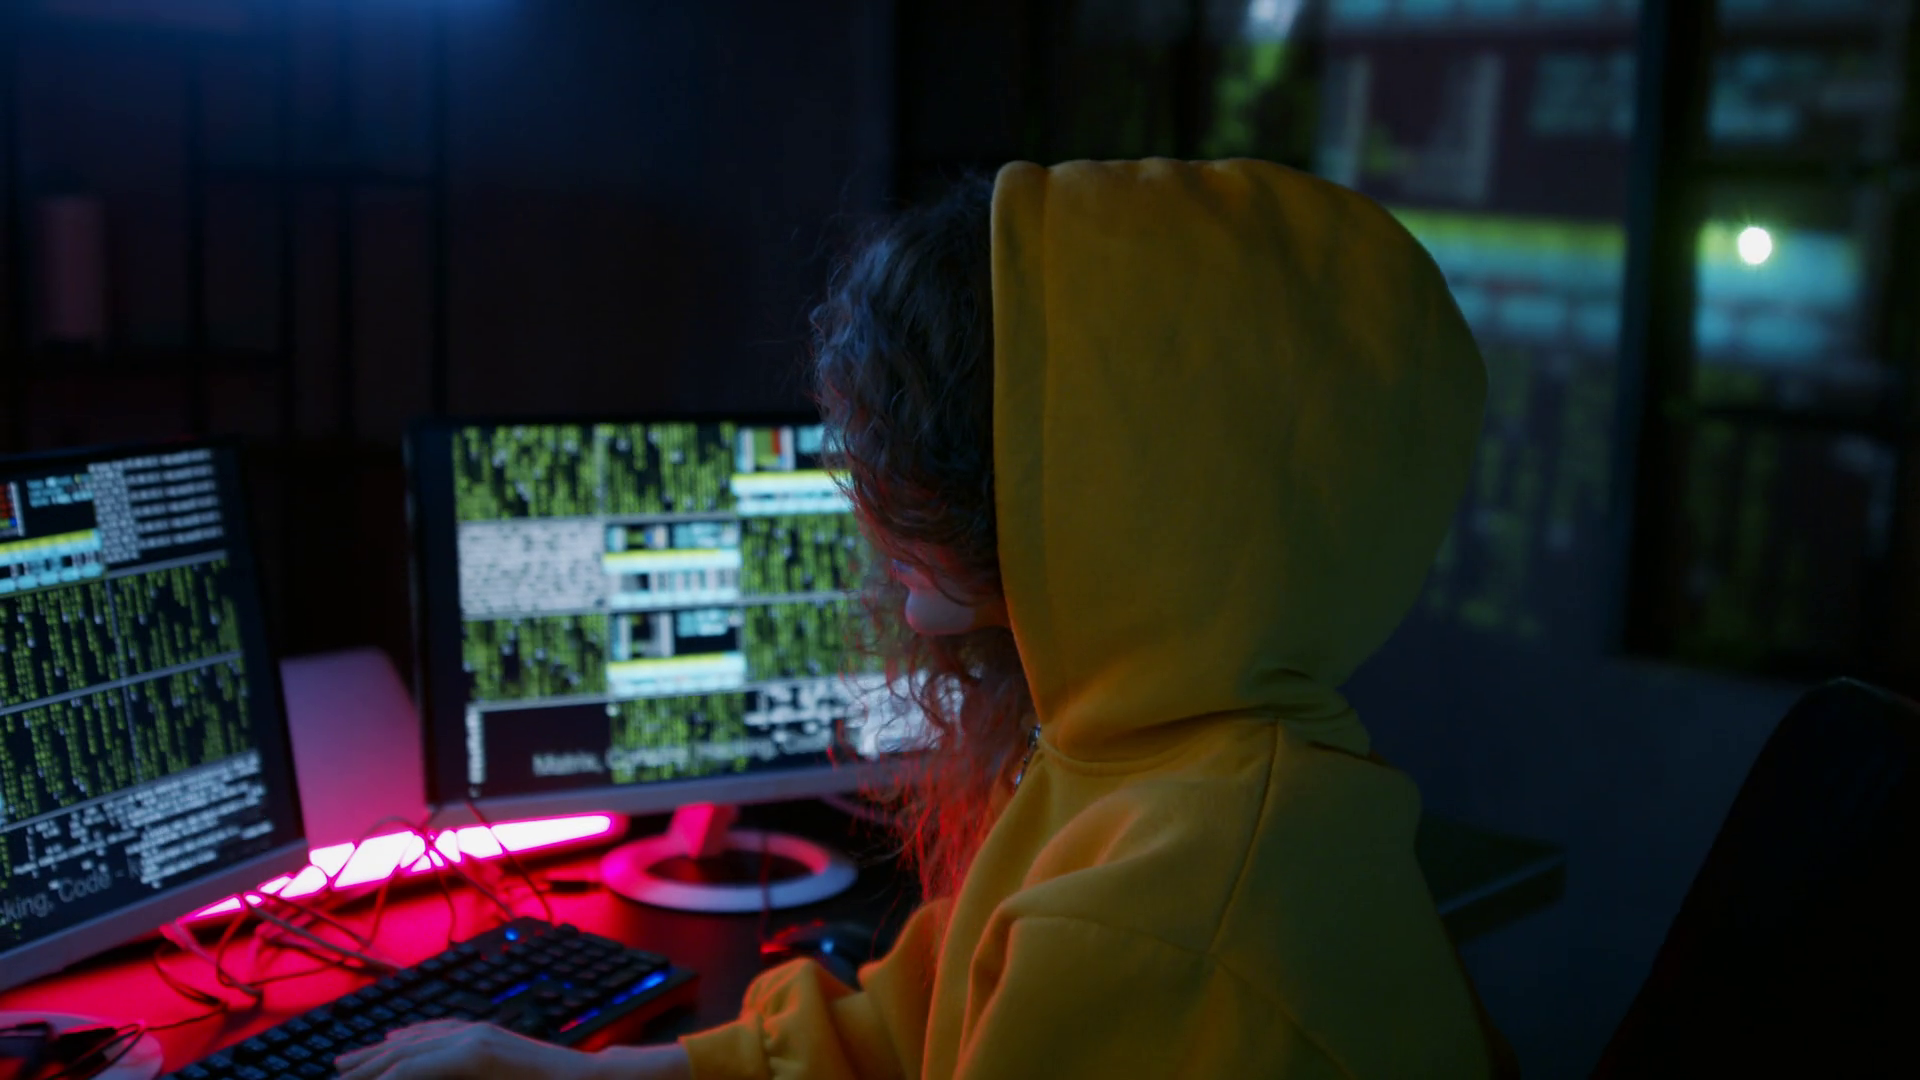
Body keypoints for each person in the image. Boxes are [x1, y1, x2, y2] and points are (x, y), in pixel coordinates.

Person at [337, 158, 1511, 1079]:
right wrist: (574, 1076)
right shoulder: (1152, 761)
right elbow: (913, 1030)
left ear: (1099, 478)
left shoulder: (1165, 930)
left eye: (908, 449)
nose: (867, 503)